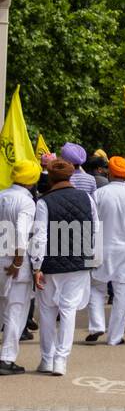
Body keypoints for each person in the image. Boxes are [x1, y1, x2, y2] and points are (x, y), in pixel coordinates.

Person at [29, 159, 95, 375]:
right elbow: (94, 228)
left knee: (47, 311)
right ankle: (61, 360)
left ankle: (47, 359)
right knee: (68, 310)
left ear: (51, 177)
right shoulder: (87, 198)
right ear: (70, 176)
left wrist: (36, 266)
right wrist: (92, 260)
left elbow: (40, 235)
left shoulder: (44, 202)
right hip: (78, 262)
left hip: (50, 263)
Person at [86, 156, 125, 346]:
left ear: (109, 173)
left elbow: (91, 224)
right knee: (121, 292)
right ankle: (115, 336)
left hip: (100, 246)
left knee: (96, 287)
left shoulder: (98, 195)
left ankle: (96, 325)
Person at [0, 160, 40, 374]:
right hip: (16, 263)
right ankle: (6, 358)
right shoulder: (26, 202)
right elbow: (22, 235)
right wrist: (17, 262)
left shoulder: (1, 195)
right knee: (16, 311)